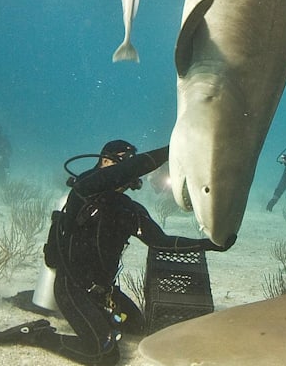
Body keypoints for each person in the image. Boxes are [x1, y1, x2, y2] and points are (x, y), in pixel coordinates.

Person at [39, 140, 234, 365]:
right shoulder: (84, 190)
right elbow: (127, 170)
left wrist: (208, 244)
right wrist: (178, 147)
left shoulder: (128, 209)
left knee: (138, 327)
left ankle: (98, 318)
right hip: (71, 287)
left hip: (103, 292)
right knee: (104, 355)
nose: (128, 171)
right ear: (104, 161)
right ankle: (37, 335)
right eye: (123, 162)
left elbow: (160, 242)